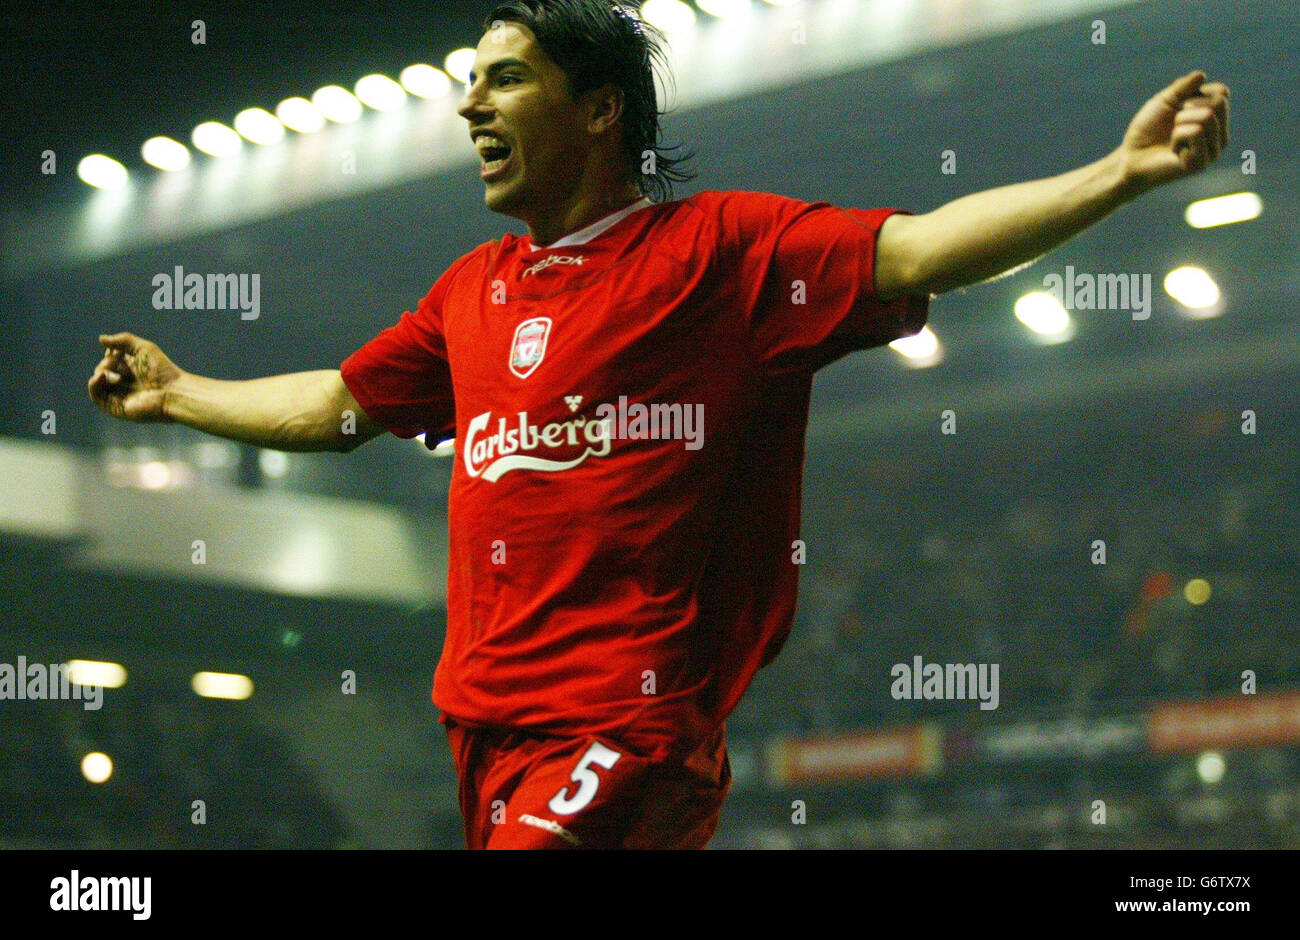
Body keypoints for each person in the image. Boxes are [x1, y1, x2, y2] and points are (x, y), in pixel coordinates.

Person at [88, 0, 1229, 848]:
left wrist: (1118, 175)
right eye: (469, 82)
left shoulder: (722, 254)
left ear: (598, 110)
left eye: (504, 80)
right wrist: (178, 393)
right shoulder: (470, 293)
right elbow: (339, 406)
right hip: (483, 730)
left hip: (626, 728)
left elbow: (922, 245)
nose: (468, 105)